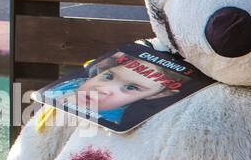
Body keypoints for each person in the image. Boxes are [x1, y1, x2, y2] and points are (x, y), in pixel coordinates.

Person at [40, 53, 180, 127]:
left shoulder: (111, 121)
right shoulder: (74, 84)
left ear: (157, 95)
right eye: (108, 76)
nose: (102, 89)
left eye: (131, 87)